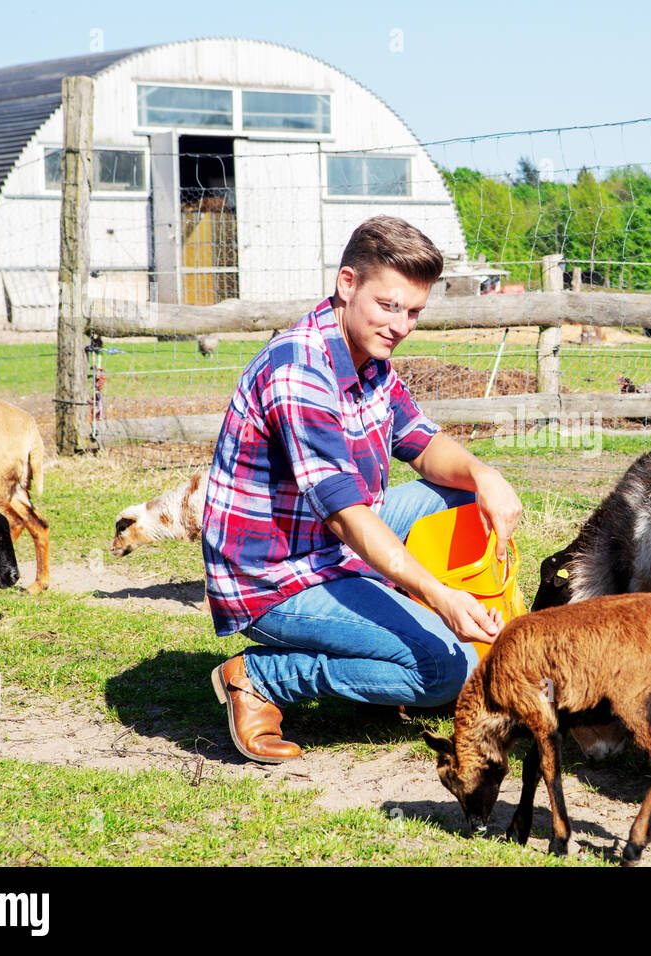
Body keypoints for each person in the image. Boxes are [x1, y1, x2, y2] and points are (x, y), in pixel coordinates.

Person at [203, 215, 522, 763]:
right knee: (452, 668)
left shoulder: (368, 358)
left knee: (462, 495)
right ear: (347, 284)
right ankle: (261, 677)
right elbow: (347, 515)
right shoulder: (300, 371)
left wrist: (482, 474)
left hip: (331, 550)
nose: (400, 325)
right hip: (277, 576)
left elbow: (422, 444)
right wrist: (438, 596)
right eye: (389, 305)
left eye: (414, 311)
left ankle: (382, 649)